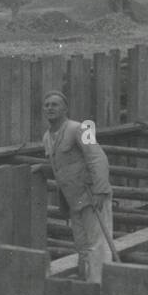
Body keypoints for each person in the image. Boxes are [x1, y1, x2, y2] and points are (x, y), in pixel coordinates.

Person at [33, 91, 115, 283]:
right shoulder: (47, 137)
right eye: (47, 105)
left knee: (98, 246)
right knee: (82, 246)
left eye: (55, 105)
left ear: (65, 109)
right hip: (74, 200)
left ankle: (99, 289)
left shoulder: (80, 128)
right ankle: (88, 284)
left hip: (92, 196)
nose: (50, 108)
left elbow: (98, 157)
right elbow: (63, 167)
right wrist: (42, 169)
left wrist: (101, 190)